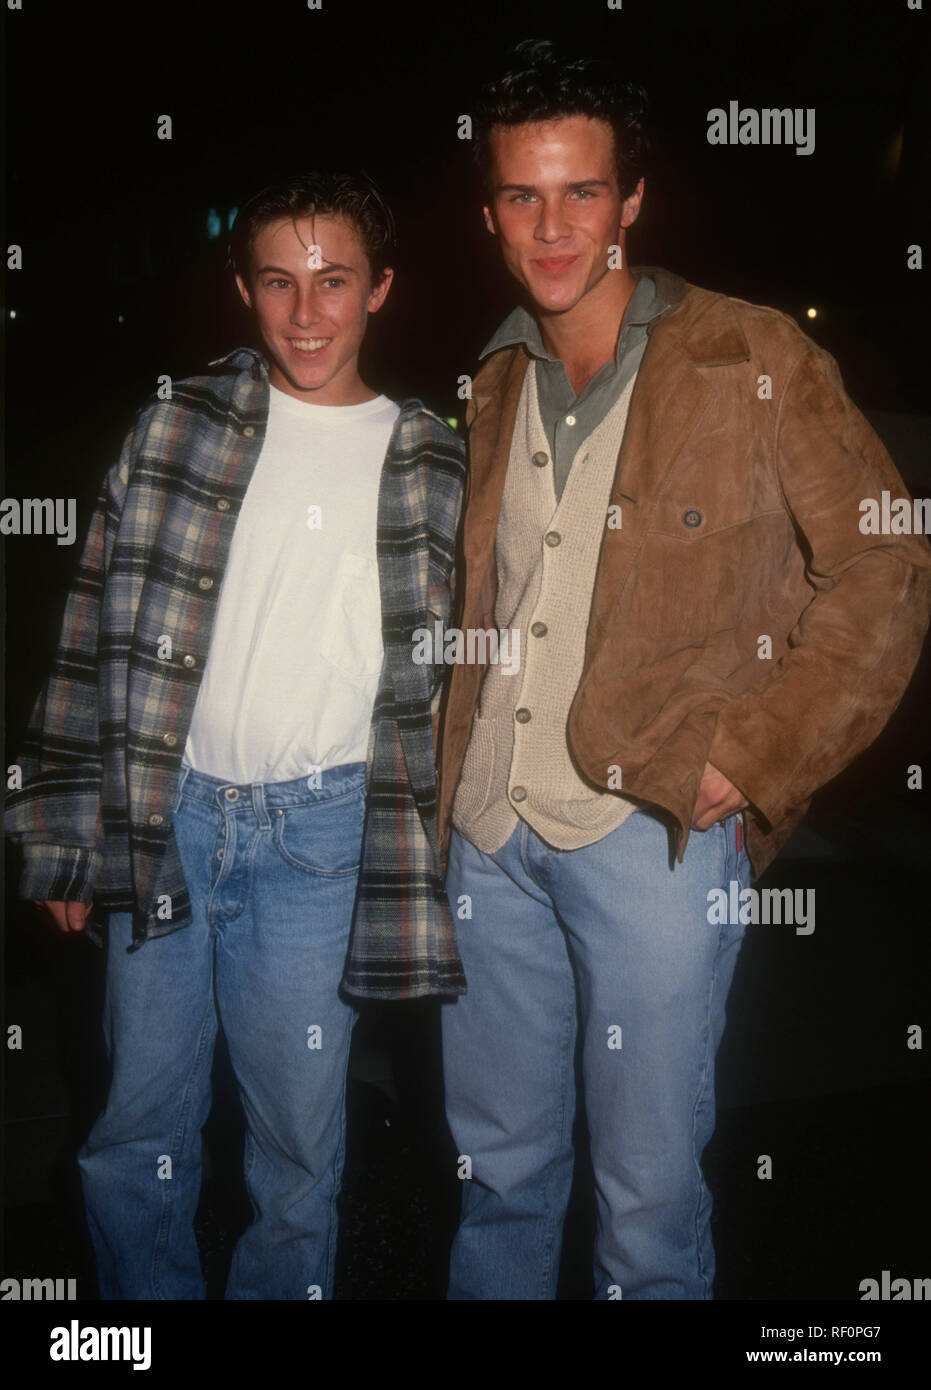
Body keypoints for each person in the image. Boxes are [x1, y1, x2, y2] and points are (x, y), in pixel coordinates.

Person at [436, 39, 931, 1300]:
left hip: (650, 833)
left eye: (581, 192)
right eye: (521, 196)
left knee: (647, 1200)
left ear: (632, 200)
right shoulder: (494, 374)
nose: (552, 228)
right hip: (490, 830)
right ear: (489, 207)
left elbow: (885, 564)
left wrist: (750, 757)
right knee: (495, 1175)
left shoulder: (748, 354)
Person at [5, 170, 466, 1299]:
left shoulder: (434, 457)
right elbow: (89, 627)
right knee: (134, 1126)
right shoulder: (177, 423)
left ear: (381, 290)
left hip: (321, 839)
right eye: (279, 282)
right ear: (244, 290)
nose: (306, 312)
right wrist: (69, 828)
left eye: (334, 281)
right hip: (167, 820)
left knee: (298, 1147)